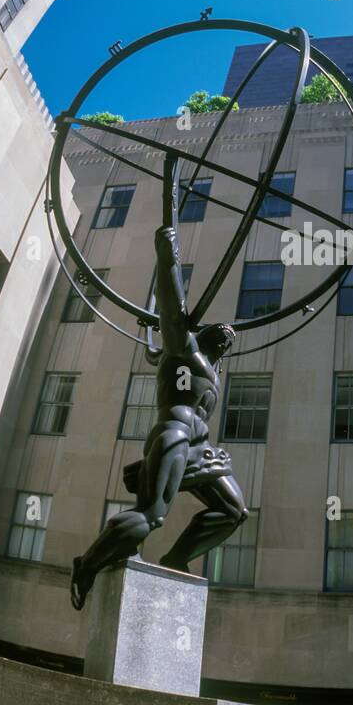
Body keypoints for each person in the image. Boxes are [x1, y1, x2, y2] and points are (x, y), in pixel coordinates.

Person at [69, 220, 246, 607]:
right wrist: (168, 254)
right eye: (222, 330)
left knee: (234, 511)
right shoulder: (184, 351)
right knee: (152, 516)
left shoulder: (212, 373)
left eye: (231, 338)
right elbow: (171, 305)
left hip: (199, 448)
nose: (228, 333)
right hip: (174, 437)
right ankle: (88, 563)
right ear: (205, 334)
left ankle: (176, 558)